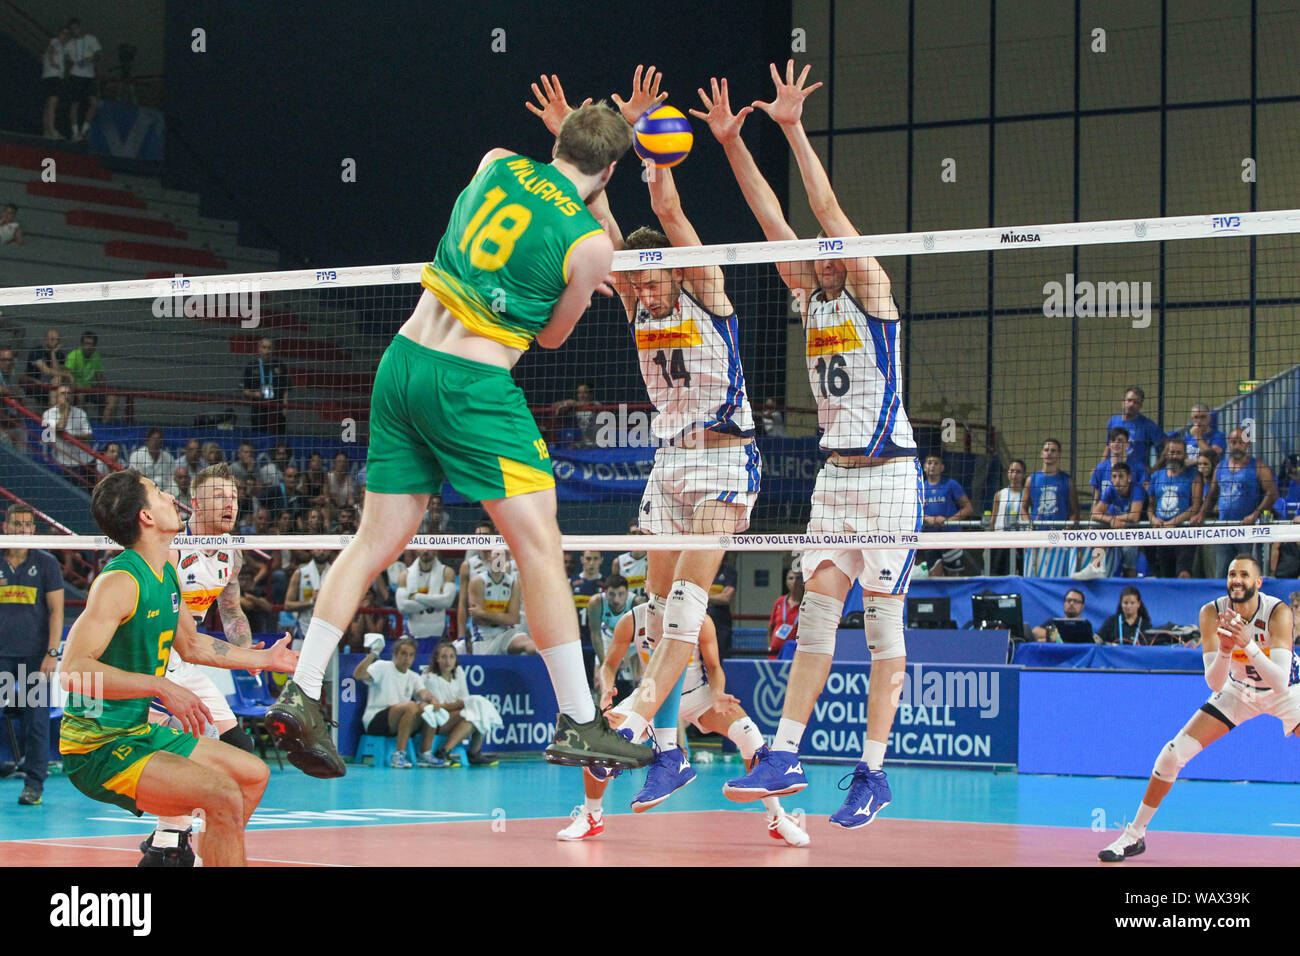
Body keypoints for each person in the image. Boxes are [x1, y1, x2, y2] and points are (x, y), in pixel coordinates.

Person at [266, 93, 649, 776]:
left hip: (403, 362)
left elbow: (545, 186)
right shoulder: (593, 244)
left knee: (374, 542)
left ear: (560, 140)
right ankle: (580, 721)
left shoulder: (496, 161)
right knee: (538, 541)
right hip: (470, 383)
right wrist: (591, 232)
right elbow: (555, 336)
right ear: (612, 171)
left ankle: (302, 689)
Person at [694, 62, 920, 827]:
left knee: (883, 628)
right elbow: (772, 221)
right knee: (818, 615)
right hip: (834, 480)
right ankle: (787, 752)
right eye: (819, 248)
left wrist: (791, 127)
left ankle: (873, 770)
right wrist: (731, 144)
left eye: (833, 246)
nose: (823, 251)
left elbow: (823, 206)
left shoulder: (874, 294)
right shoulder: (806, 291)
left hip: (890, 477)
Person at [534, 67, 761, 808]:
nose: (650, 283)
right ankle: (669, 754)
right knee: (660, 611)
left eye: (657, 272)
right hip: (668, 463)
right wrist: (577, 145)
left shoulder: (706, 289)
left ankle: (634, 716)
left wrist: (650, 157)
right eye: (643, 276)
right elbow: (598, 221)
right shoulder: (635, 301)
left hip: (725, 454)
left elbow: (670, 215)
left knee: (692, 602)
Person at [59, 470, 297, 867]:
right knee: (221, 794)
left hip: (137, 732)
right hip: (97, 747)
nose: (170, 495)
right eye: (157, 492)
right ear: (146, 517)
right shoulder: (119, 581)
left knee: (253, 774)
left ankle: (194, 852)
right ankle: (171, 842)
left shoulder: (165, 573)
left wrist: (263, 658)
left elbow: (192, 644)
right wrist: (160, 686)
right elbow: (73, 670)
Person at [558, 600, 808, 846]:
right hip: (652, 696)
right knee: (603, 737)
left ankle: (777, 817)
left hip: (697, 695)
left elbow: (713, 666)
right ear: (649, 586)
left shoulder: (701, 619)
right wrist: (606, 693)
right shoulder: (632, 620)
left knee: (749, 735)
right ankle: (592, 815)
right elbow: (609, 664)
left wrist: (718, 692)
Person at [1098, 555, 1297, 862]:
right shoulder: (1211, 613)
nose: (1237, 580)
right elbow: (1216, 684)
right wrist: (1227, 652)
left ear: (1258, 582)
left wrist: (1248, 644)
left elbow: (1281, 681)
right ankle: (1134, 835)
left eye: (1244, 575)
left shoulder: (1278, 612)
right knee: (1171, 755)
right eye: (1232, 574)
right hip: (1239, 690)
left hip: (1289, 690)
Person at [140, 462, 274, 866]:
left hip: (187, 658)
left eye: (233, 497)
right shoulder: (169, 546)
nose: (228, 504)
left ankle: (174, 834)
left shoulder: (230, 554)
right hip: (150, 658)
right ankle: (171, 838)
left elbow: (231, 612)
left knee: (241, 751)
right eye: (218, 496)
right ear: (194, 503)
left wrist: (249, 654)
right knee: (180, 745)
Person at [0, 505, 64, 806]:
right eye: (17, 524)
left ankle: (34, 784)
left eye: (28, 525)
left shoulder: (47, 563)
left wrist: (52, 652)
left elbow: (56, 612)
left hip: (34, 657)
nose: (22, 530)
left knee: (36, 721)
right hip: (1, 656)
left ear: (33, 530)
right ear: (6, 526)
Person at [1198, 428, 1279, 578]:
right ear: (1229, 443)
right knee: (1222, 572)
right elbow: (1212, 494)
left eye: (1240, 442)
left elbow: (1273, 493)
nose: (1236, 446)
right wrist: (1201, 513)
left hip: (1247, 528)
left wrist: (1255, 515)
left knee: (1248, 570)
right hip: (1224, 528)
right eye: (1233, 442)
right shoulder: (1221, 467)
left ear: (1247, 444)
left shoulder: (1258, 466)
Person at [354, 637, 445, 768]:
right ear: (395, 654)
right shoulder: (382, 666)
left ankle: (425, 754)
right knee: (411, 706)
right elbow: (358, 674)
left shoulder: (413, 676)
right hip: (375, 719)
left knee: (429, 709)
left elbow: (423, 693)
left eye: (411, 655)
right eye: (403, 654)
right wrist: (373, 654)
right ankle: (399, 755)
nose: (407, 658)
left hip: (401, 721)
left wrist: (433, 700)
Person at [421, 641, 502, 766]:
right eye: (444, 657)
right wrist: (459, 704)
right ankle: (464, 753)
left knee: (478, 713)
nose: (448, 661)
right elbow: (439, 707)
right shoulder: (429, 678)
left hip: (457, 717)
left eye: (452, 656)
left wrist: (460, 704)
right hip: (434, 723)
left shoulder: (459, 672)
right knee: (473, 714)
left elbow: (465, 699)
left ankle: (452, 751)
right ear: (436, 659)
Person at [1020, 437, 1081, 576]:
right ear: (1041, 453)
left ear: (1059, 455)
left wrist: (1067, 530)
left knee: (1056, 575)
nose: (1049, 453)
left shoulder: (1067, 480)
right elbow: (1023, 507)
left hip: (1058, 536)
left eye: (1053, 450)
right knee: (1033, 576)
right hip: (1037, 535)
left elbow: (1075, 510)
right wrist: (1029, 525)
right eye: (1046, 450)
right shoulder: (1032, 479)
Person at [1145, 440, 1202, 578]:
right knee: (1164, 574)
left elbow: (1195, 507)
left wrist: (1173, 522)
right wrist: (1153, 519)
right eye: (1172, 452)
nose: (1174, 456)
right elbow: (1150, 505)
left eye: (1178, 453)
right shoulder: (1157, 476)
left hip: (1183, 533)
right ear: (1166, 454)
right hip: (1161, 533)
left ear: (1185, 455)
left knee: (1183, 572)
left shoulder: (1194, 475)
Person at [1081, 461, 1146, 579]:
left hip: (1141, 530)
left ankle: (1131, 584)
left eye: (1121, 476)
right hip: (1119, 527)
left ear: (1129, 478)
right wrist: (1111, 520)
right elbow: (1094, 514)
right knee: (1101, 530)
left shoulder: (1137, 489)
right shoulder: (1111, 490)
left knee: (1129, 563)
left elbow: (1134, 516)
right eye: (1114, 477)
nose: (1117, 480)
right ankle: (1096, 567)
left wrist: (1113, 519)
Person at [466, 550, 535, 654]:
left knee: (530, 646)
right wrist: (503, 618)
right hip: (484, 639)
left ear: (508, 559)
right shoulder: (478, 581)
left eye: (504, 555)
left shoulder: (513, 584)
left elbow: (513, 619)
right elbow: (478, 619)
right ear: (489, 557)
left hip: (505, 634)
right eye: (497, 555)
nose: (500, 559)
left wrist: (482, 613)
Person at [919, 453, 974, 576]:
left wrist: (948, 520)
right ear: (924, 467)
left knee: (953, 578)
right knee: (935, 577)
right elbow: (913, 511)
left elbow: (968, 508)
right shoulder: (920, 487)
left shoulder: (951, 484)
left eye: (936, 463)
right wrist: (926, 518)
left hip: (951, 537)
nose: (932, 466)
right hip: (930, 539)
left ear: (942, 467)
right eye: (929, 463)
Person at [588, 573, 637, 702]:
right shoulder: (596, 603)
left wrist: (625, 655)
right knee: (601, 684)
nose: (616, 600)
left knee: (641, 682)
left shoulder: (636, 602)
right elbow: (595, 634)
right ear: (605, 593)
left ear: (627, 593)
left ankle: (640, 719)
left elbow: (639, 636)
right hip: (608, 638)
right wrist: (605, 666)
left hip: (631, 642)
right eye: (611, 594)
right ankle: (603, 720)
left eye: (621, 594)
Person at [41, 383, 96, 487]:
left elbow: (89, 435)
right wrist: (66, 410)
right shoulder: (48, 414)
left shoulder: (80, 413)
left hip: (86, 461)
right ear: (57, 397)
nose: (66, 396)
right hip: (66, 463)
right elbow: (59, 430)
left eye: (69, 393)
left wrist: (73, 438)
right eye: (63, 393)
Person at [396, 550, 457, 639]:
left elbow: (447, 602)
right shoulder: (405, 575)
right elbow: (402, 607)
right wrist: (436, 601)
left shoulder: (446, 572)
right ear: (416, 551)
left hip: (439, 631)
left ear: (435, 551)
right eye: (422, 547)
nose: (425, 550)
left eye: (429, 547)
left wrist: (416, 596)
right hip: (413, 632)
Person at [64, 331, 119, 422]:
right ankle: (80, 426)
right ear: (81, 344)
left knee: (113, 398)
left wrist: (107, 391)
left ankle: (104, 427)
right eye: (86, 343)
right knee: (81, 396)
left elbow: (100, 378)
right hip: (75, 390)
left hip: (89, 389)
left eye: (91, 344)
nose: (88, 347)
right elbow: (67, 375)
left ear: (95, 346)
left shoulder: (96, 357)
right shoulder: (74, 355)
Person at [241, 337, 289, 435]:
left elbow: (286, 389)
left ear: (273, 350)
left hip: (276, 409)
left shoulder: (280, 365)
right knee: (258, 436)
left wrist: (285, 407)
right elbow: (245, 391)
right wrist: (256, 394)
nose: (267, 351)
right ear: (259, 349)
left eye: (269, 348)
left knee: (278, 438)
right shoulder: (251, 366)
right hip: (258, 409)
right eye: (264, 347)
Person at [64, 18, 101, 142]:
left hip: (89, 77)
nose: (75, 31)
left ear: (80, 27)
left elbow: (98, 55)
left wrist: (91, 59)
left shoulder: (91, 39)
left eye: (76, 28)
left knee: (94, 103)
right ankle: (75, 133)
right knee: (75, 104)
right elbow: (65, 58)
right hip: (76, 76)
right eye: (72, 29)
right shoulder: (69, 44)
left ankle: (84, 130)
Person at [1105, 386, 1162, 467]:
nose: (1131, 404)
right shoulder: (1113, 421)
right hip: (1115, 472)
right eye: (1129, 400)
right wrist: (1100, 468)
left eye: (1136, 402)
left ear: (1140, 406)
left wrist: (1154, 470)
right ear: (1123, 401)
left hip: (1137, 474)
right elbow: (1108, 447)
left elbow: (1166, 445)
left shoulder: (1148, 425)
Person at [989, 459, 1027, 576]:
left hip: (1019, 542)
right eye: (1012, 471)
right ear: (1008, 473)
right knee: (997, 574)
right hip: (1000, 541)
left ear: (1024, 475)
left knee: (1018, 573)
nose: (1014, 475)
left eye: (1018, 472)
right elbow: (993, 520)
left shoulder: (1027, 495)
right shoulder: (1000, 494)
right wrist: (986, 546)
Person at [284, 550, 332, 639]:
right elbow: (287, 605)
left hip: (329, 631)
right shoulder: (300, 573)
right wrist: (311, 602)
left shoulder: (336, 573)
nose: (321, 552)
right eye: (318, 548)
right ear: (312, 550)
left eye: (325, 549)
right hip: (303, 630)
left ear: (330, 551)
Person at [768, 558, 802, 657]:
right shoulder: (779, 602)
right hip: (774, 653)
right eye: (791, 578)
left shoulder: (806, 604)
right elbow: (771, 627)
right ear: (786, 582)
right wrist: (770, 646)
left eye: (798, 578)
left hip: (794, 654)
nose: (794, 581)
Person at [41, 26, 70, 139]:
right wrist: (52, 60)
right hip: (53, 76)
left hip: (52, 76)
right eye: (63, 33)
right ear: (59, 34)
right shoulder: (55, 41)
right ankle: (52, 131)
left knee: (49, 104)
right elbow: (50, 50)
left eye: (67, 34)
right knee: (53, 103)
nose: (65, 36)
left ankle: (46, 131)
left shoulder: (63, 48)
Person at [612, 526, 648, 603]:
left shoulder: (653, 560)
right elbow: (614, 590)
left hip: (648, 606)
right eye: (634, 533)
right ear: (628, 536)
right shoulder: (618, 562)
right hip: (626, 607)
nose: (637, 537)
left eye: (641, 533)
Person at [570, 549, 604, 630]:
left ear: (601, 560)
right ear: (582, 559)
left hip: (600, 635)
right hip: (577, 634)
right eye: (588, 559)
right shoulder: (571, 583)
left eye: (595, 559)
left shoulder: (607, 584)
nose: (591, 563)